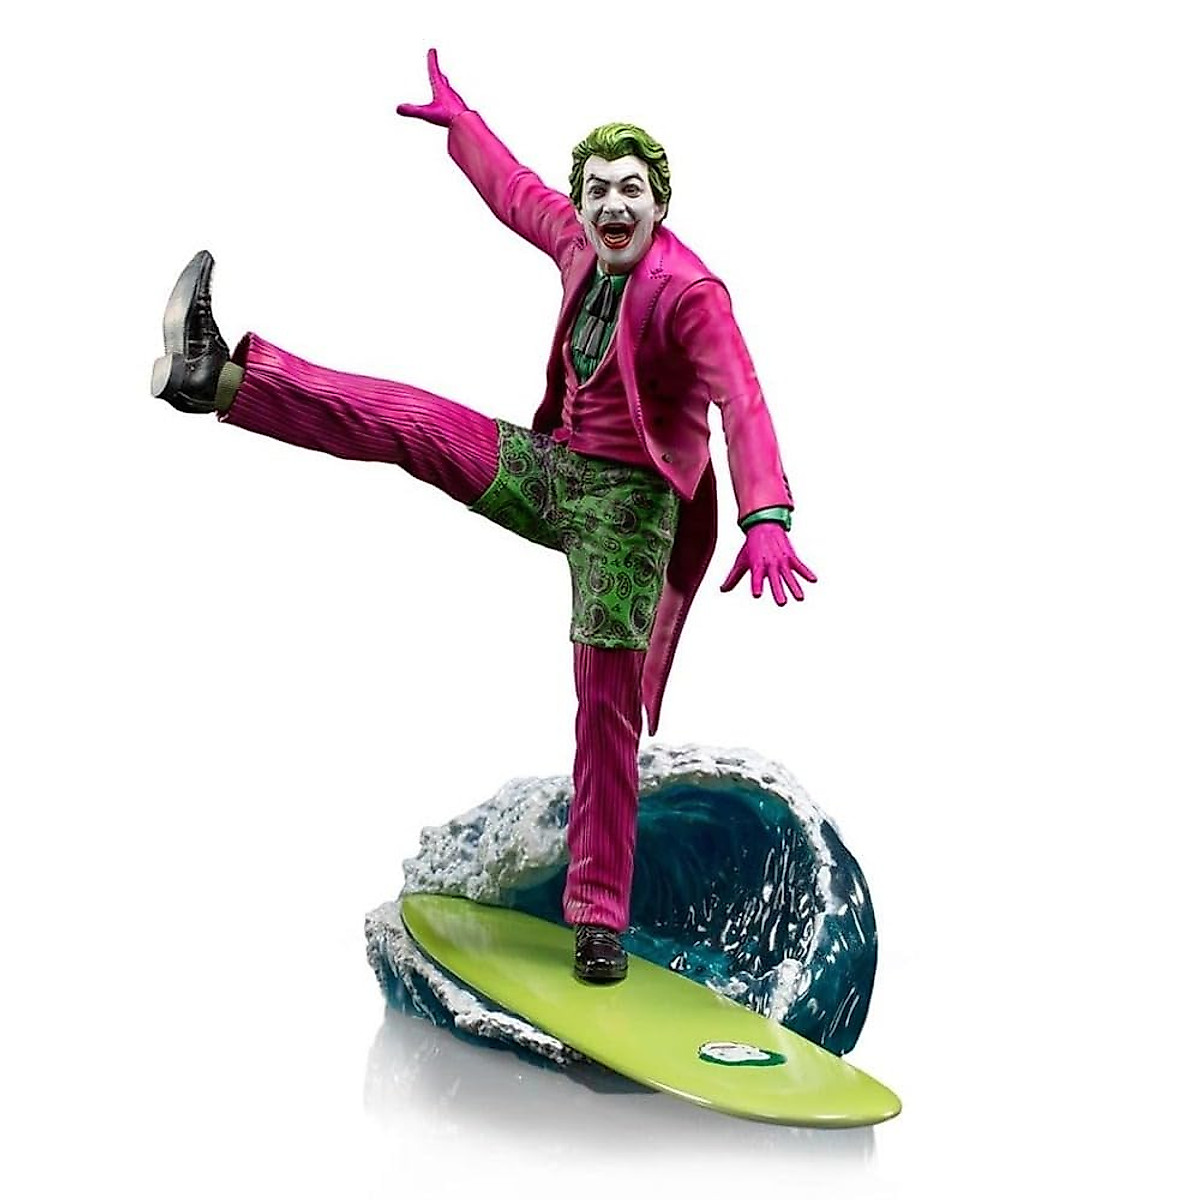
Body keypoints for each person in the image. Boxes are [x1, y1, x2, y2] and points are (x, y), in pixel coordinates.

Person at [150, 49, 816, 984]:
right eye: (598, 191)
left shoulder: (690, 294)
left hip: (629, 519)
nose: (611, 206)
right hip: (556, 472)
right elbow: (516, 193)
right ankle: (216, 379)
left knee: (603, 713)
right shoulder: (579, 243)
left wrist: (765, 514)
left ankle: (599, 922)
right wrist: (462, 124)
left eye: (630, 191)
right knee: (417, 423)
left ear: (660, 205)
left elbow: (742, 397)